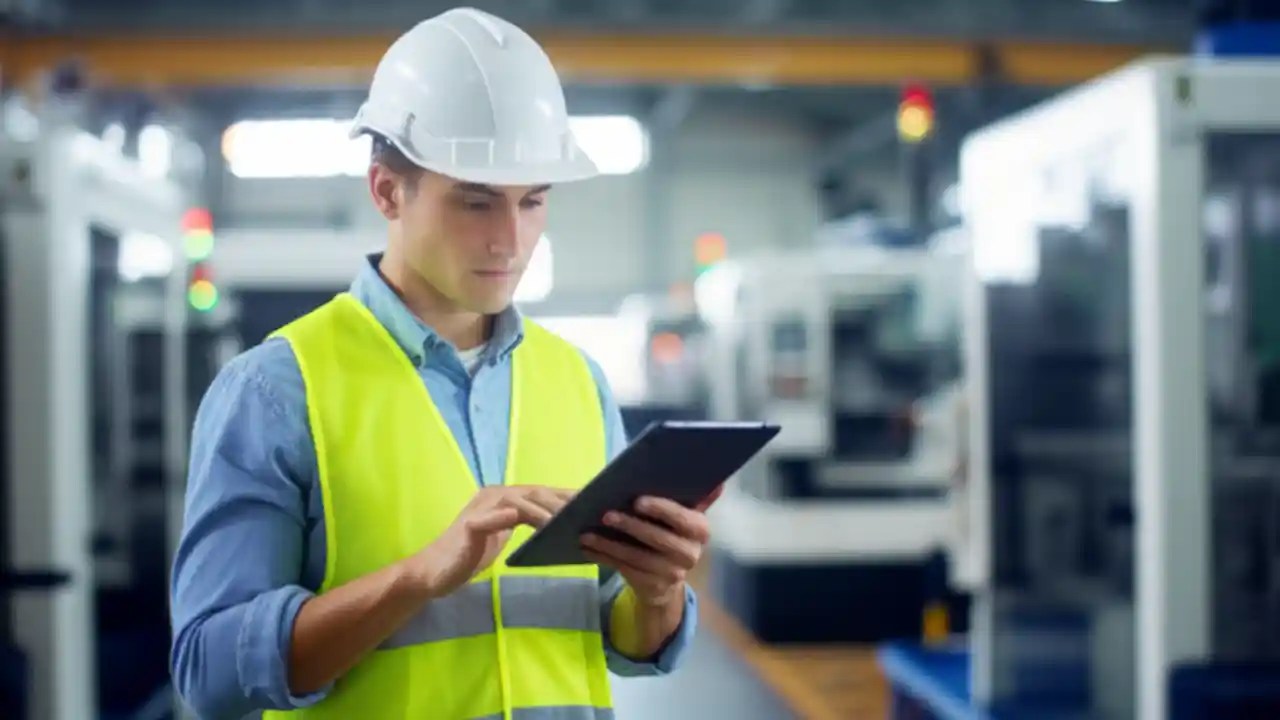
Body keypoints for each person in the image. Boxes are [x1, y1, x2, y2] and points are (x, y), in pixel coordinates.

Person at [169, 8, 717, 719]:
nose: (510, 240)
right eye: (476, 203)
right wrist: (418, 577)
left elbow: (617, 634)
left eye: (532, 202)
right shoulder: (276, 392)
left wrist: (658, 592)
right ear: (386, 190)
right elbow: (208, 671)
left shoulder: (577, 382)